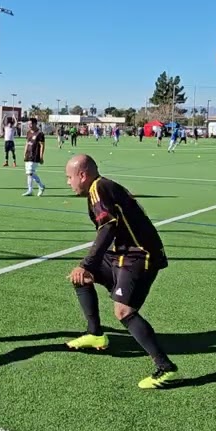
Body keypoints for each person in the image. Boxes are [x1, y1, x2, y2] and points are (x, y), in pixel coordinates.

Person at [62, 155, 180, 389]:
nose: (68, 182)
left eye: (69, 177)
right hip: (123, 253)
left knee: (123, 311)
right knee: (81, 278)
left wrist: (87, 263)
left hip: (140, 255)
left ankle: (166, 368)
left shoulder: (98, 188)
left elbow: (108, 227)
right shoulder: (102, 186)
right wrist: (88, 266)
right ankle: (95, 333)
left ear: (82, 175)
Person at [23, 117, 47, 196]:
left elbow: (42, 145)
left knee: (30, 172)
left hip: (35, 155)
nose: (29, 125)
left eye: (31, 124)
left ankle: (39, 186)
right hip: (28, 155)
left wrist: (41, 156)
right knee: (29, 173)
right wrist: (24, 153)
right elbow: (27, 143)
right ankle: (33, 189)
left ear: (35, 124)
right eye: (28, 124)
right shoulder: (28, 132)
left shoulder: (40, 134)